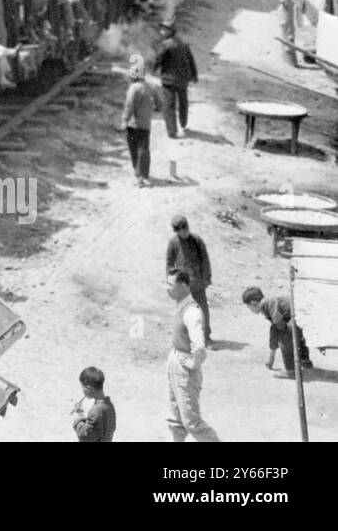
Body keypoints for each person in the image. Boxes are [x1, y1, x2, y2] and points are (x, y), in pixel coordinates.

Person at [166, 271, 219, 442]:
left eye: (170, 285)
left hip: (185, 369)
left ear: (183, 286)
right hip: (175, 361)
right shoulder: (181, 306)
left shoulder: (192, 312)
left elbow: (200, 347)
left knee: (191, 422)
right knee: (175, 417)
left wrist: (193, 363)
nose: (166, 289)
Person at [242, 287, 313, 377]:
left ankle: (290, 371)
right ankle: (305, 361)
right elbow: (274, 329)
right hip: (306, 313)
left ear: (253, 304)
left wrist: (272, 355)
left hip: (302, 314)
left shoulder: (266, 305)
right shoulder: (268, 302)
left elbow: (279, 326)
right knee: (294, 332)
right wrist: (271, 358)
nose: (250, 310)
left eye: (249, 307)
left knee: (285, 336)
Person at [166, 216, 213, 345]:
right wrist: (171, 282)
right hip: (182, 285)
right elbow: (169, 263)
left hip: (198, 282)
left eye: (185, 229)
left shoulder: (196, 240)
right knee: (183, 313)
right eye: (181, 231)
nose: (184, 233)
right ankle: (185, 340)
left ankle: (206, 338)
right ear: (176, 231)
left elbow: (205, 259)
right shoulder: (173, 243)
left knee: (203, 310)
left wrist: (207, 277)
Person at [153, 19, 198, 139]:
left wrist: (151, 70)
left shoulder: (165, 44)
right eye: (162, 28)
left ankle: (172, 131)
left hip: (169, 80)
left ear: (170, 31)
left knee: (168, 105)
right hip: (183, 79)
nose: (162, 31)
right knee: (183, 101)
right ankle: (183, 123)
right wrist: (194, 75)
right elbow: (191, 60)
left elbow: (158, 60)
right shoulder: (183, 42)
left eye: (164, 29)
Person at [122, 55, 157, 187]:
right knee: (144, 149)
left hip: (132, 125)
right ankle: (145, 175)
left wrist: (125, 119)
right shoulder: (151, 87)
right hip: (145, 124)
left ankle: (138, 175)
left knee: (133, 149)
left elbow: (129, 105)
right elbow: (159, 103)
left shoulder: (133, 88)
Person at [71, 366, 116, 442]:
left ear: (89, 389)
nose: (83, 391)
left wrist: (77, 420)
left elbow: (85, 437)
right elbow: (97, 427)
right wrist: (80, 412)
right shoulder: (109, 406)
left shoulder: (96, 411)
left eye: (83, 388)